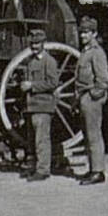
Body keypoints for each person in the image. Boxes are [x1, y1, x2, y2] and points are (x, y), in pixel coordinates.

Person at [19, 29, 61, 182]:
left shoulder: (49, 61)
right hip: (31, 106)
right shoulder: (30, 62)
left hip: (43, 106)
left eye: (37, 44)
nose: (34, 46)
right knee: (32, 141)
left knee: (41, 140)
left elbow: (53, 82)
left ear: (43, 44)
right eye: (32, 44)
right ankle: (33, 168)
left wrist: (32, 85)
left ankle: (43, 170)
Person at [76, 16, 108, 185]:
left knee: (94, 135)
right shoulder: (85, 51)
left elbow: (103, 80)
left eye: (86, 32)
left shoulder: (97, 53)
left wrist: (93, 97)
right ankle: (92, 169)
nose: (82, 35)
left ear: (94, 33)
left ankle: (98, 171)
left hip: (91, 99)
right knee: (87, 136)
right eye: (81, 32)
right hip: (84, 98)